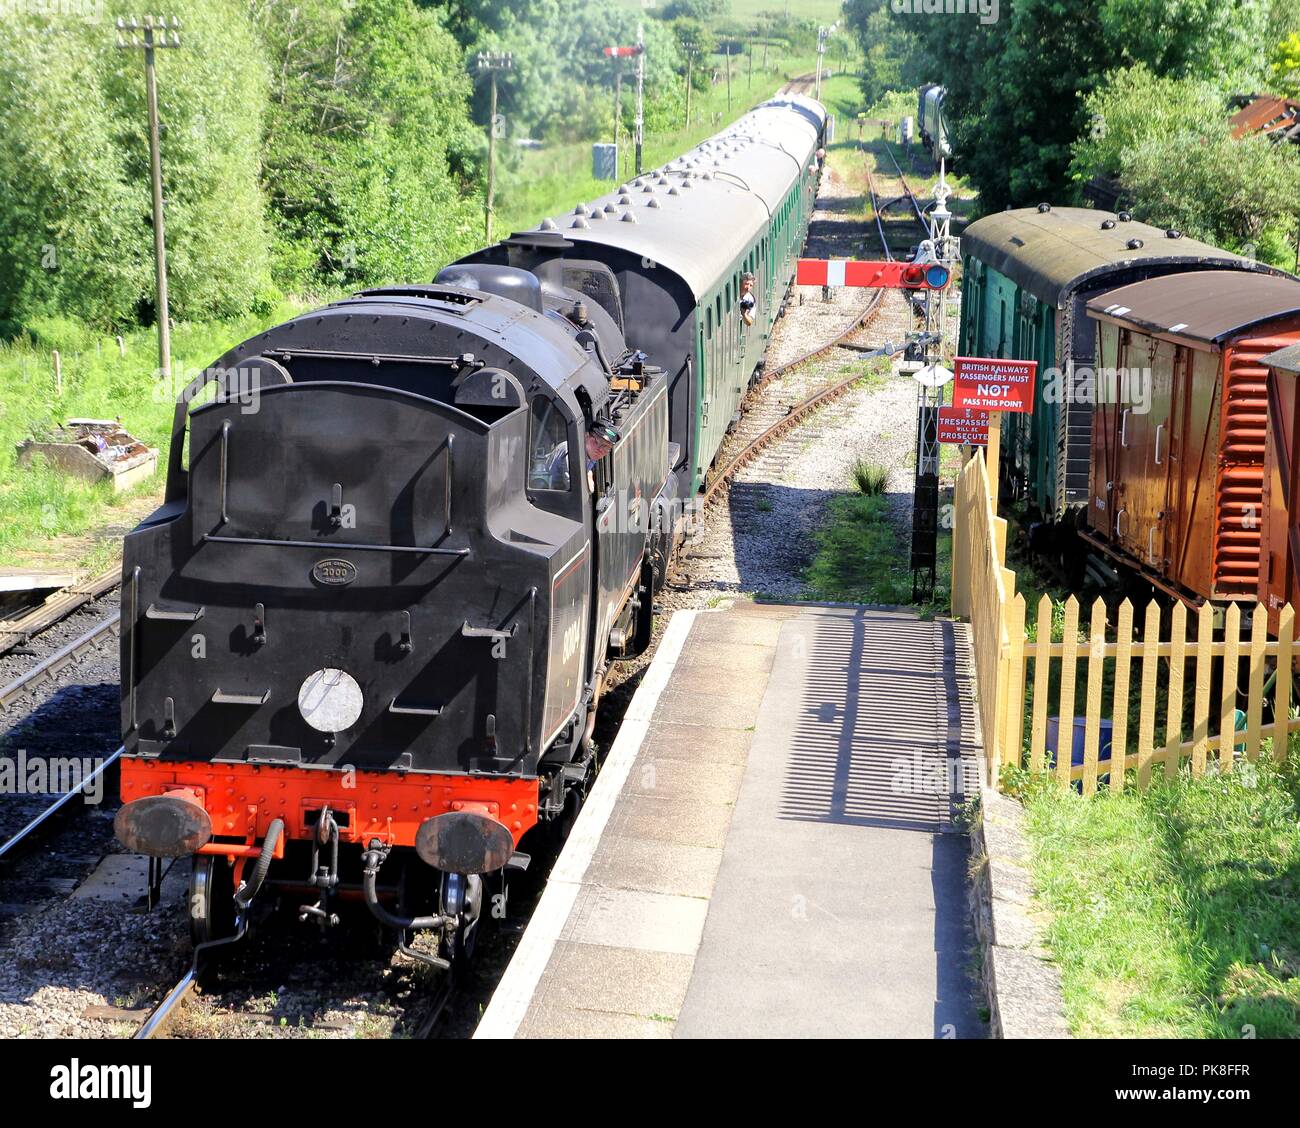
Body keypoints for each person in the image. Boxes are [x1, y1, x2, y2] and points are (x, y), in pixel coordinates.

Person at [584, 418, 620, 493]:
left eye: (606, 447)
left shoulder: (591, 455)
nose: (600, 449)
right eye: (596, 442)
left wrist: (588, 473)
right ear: (586, 436)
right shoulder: (571, 455)